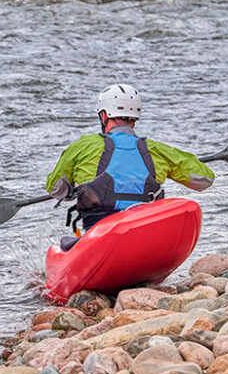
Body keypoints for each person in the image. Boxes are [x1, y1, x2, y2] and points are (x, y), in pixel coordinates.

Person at [46, 84, 215, 251]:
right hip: (146, 231)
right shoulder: (156, 149)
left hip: (99, 233)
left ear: (104, 115)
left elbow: (55, 189)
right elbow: (204, 180)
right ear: (135, 116)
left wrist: (73, 192)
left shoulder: (83, 146)